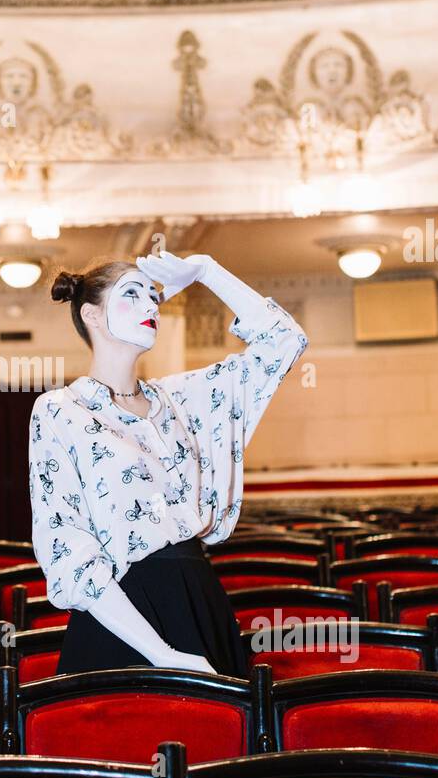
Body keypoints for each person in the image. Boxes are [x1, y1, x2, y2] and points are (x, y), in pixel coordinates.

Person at [28, 250, 306, 676]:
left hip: (199, 601)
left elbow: (284, 341)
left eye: (153, 297)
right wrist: (162, 654)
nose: (149, 306)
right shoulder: (60, 410)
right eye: (132, 295)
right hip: (121, 617)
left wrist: (209, 271)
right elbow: (67, 546)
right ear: (92, 315)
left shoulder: (182, 400)